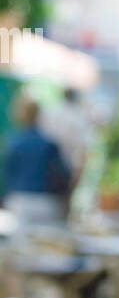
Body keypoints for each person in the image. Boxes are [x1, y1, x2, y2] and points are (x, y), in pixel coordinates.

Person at [1, 93, 71, 223]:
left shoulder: (12, 142)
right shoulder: (49, 143)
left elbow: (6, 174)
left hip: (18, 201)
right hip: (45, 202)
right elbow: (63, 174)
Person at [40, 87, 92, 219]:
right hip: (66, 171)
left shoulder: (49, 112)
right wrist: (76, 180)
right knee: (60, 217)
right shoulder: (79, 116)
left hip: (45, 170)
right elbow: (83, 152)